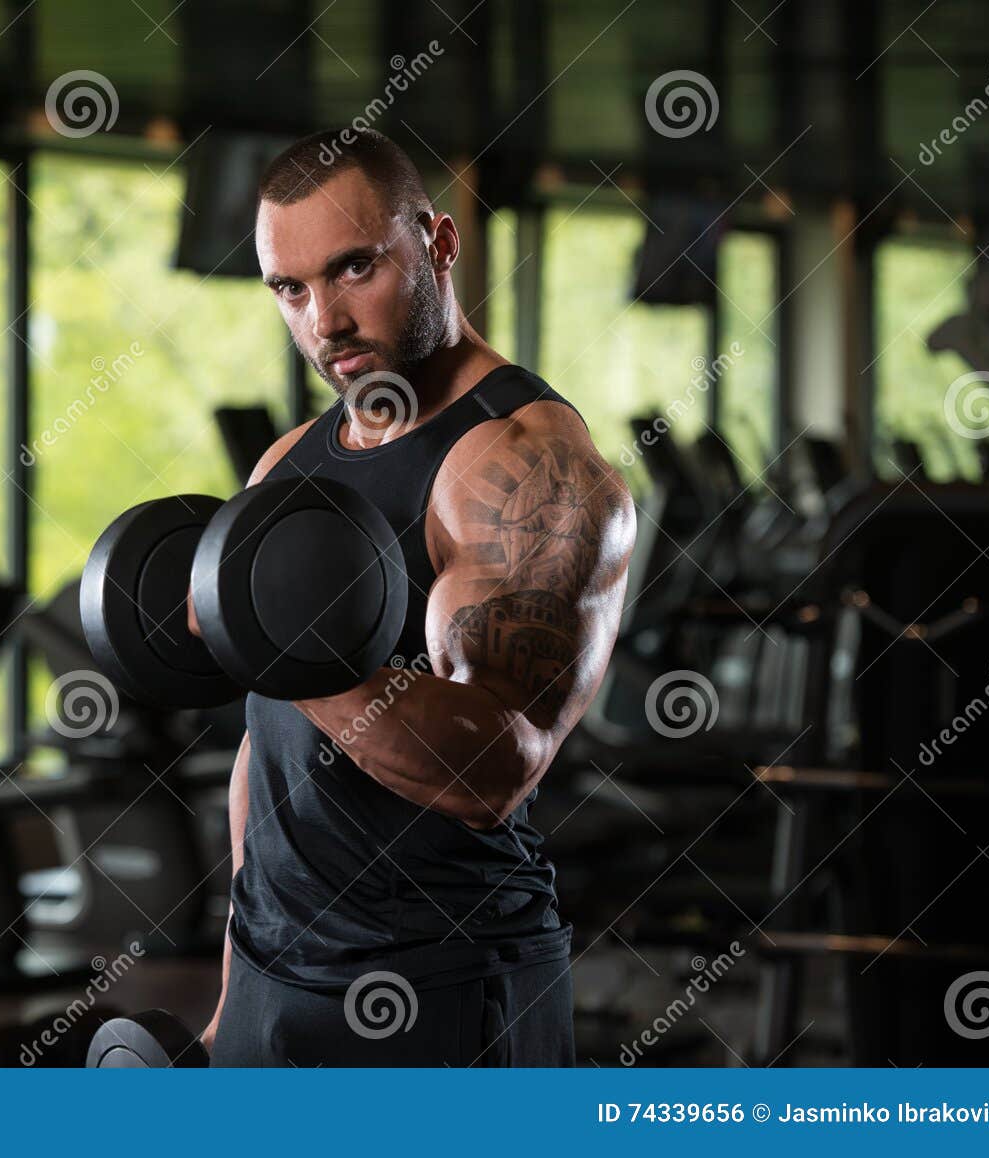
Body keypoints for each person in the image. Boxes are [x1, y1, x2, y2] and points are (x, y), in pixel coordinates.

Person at [194, 128, 636, 1067]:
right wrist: (237, 990)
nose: (326, 321)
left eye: (355, 269)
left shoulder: (526, 466)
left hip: (444, 985)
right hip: (277, 979)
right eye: (291, 289)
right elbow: (263, 747)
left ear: (438, 244)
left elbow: (495, 766)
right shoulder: (287, 464)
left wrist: (273, 642)